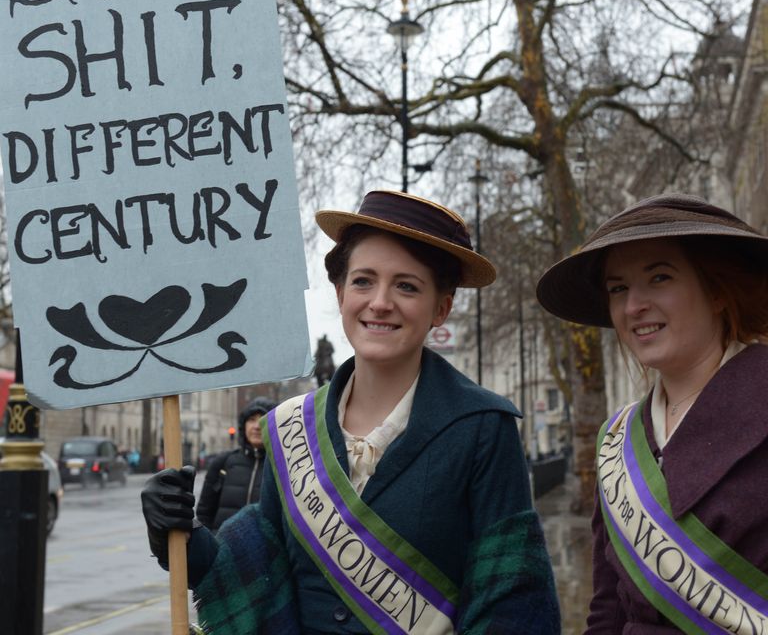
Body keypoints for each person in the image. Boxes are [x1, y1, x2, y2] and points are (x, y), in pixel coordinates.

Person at [141, 189, 560, 634]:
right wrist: (180, 534)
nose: (380, 301)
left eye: (407, 285)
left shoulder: (482, 429)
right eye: (363, 281)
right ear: (340, 293)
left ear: (442, 307)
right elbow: (260, 571)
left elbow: (509, 604)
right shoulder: (288, 428)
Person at [535, 193, 768, 634]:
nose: (632, 305)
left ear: (717, 290)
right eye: (618, 288)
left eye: (659, 277)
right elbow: (607, 608)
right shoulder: (617, 438)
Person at [196, 396, 276, 532]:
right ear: (243, 425)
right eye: (251, 420)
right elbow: (204, 513)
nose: (257, 426)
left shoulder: (283, 466)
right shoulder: (223, 463)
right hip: (222, 549)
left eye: (263, 419)